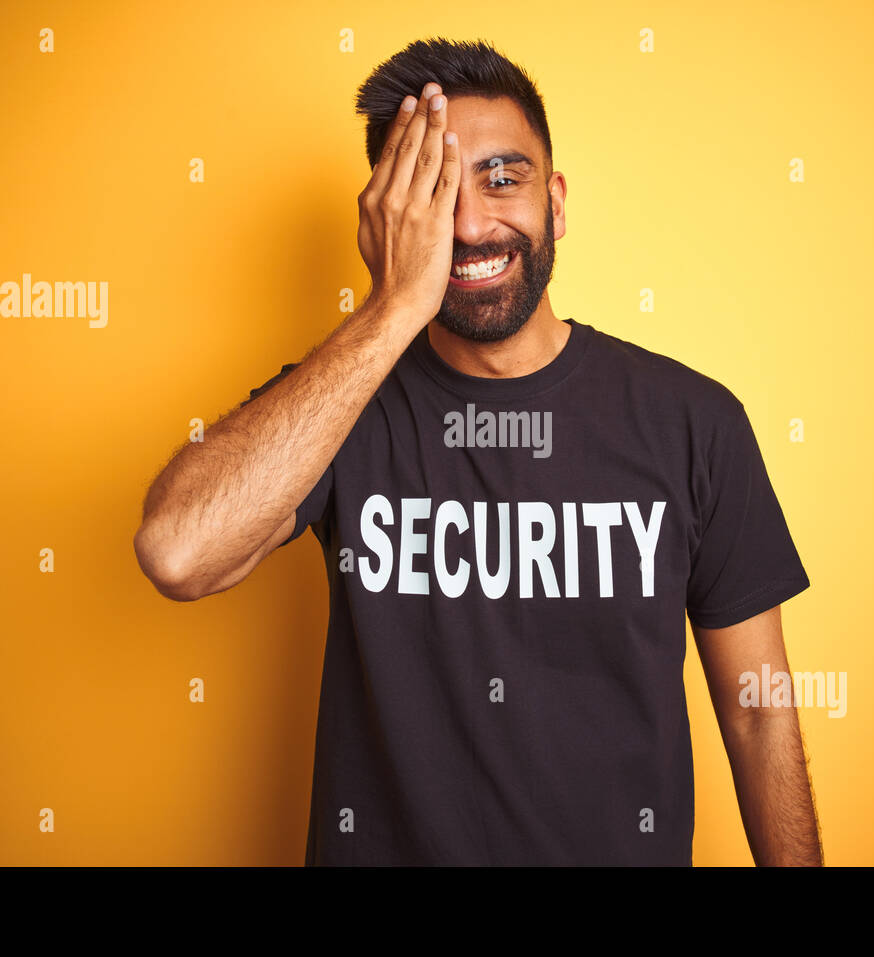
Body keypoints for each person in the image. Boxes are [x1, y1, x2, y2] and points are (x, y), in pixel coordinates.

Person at [134, 37, 822, 866]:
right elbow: (177, 551)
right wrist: (391, 310)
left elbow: (757, 708)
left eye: (502, 178)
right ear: (388, 220)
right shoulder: (337, 403)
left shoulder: (692, 422)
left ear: (556, 202)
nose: (469, 224)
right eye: (432, 196)